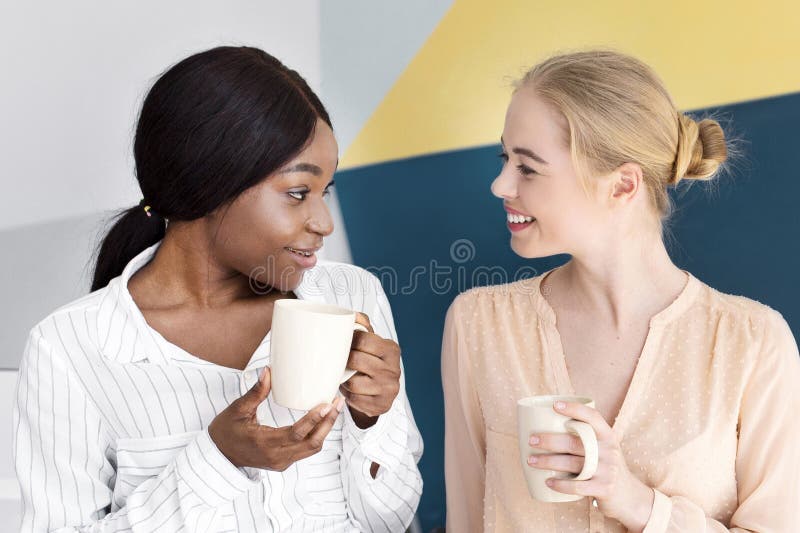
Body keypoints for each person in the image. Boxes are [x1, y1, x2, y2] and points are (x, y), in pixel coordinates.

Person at [14, 46, 423, 533]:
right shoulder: (71, 349)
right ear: (209, 184)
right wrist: (217, 461)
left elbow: (389, 521)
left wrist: (370, 422)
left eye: (325, 191)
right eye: (298, 193)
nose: (323, 223)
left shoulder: (351, 297)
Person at [442, 50, 800, 532]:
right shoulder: (478, 324)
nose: (500, 184)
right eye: (505, 158)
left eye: (527, 167)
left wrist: (637, 504)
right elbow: (466, 521)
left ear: (622, 186)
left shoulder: (754, 344)